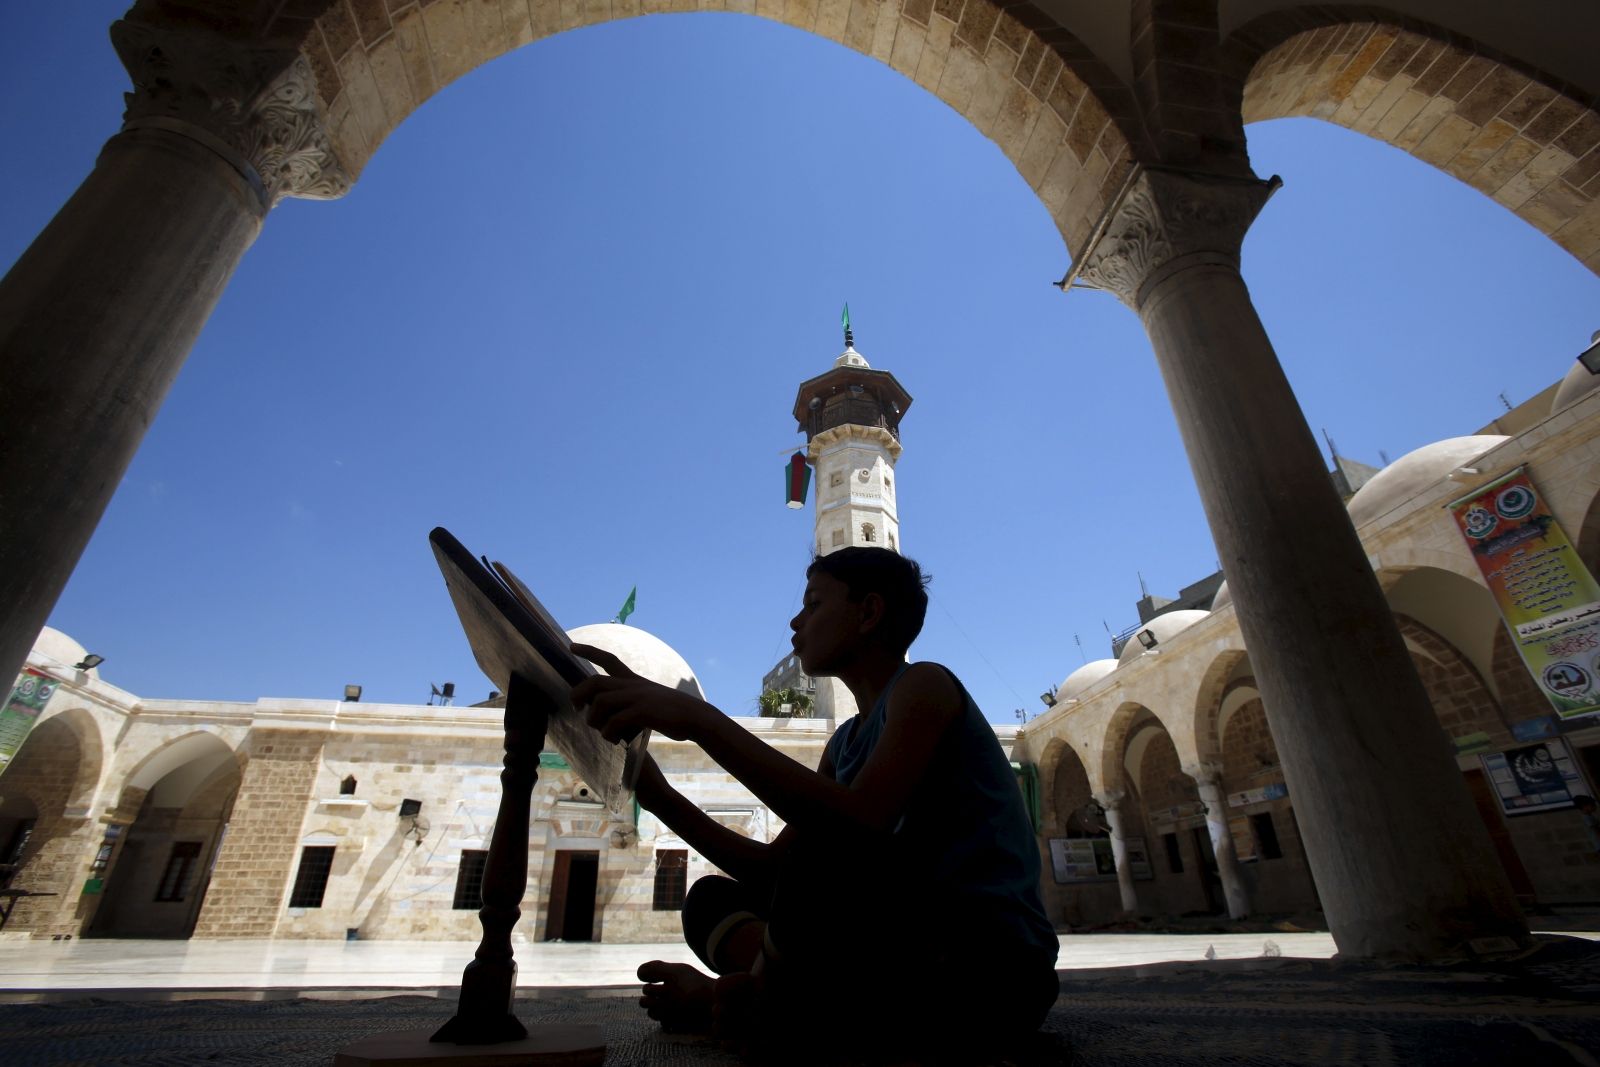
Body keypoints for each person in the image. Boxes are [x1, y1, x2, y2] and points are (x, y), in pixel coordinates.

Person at [571, 547, 1058, 1062]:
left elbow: (859, 826)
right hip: (889, 967)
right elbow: (769, 871)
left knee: (828, 848)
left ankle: (751, 998)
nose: (795, 620)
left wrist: (700, 720)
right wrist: (658, 794)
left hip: (985, 972)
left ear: (868, 613)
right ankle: (772, 995)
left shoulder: (925, 686)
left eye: (814, 603)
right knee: (709, 899)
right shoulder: (846, 741)